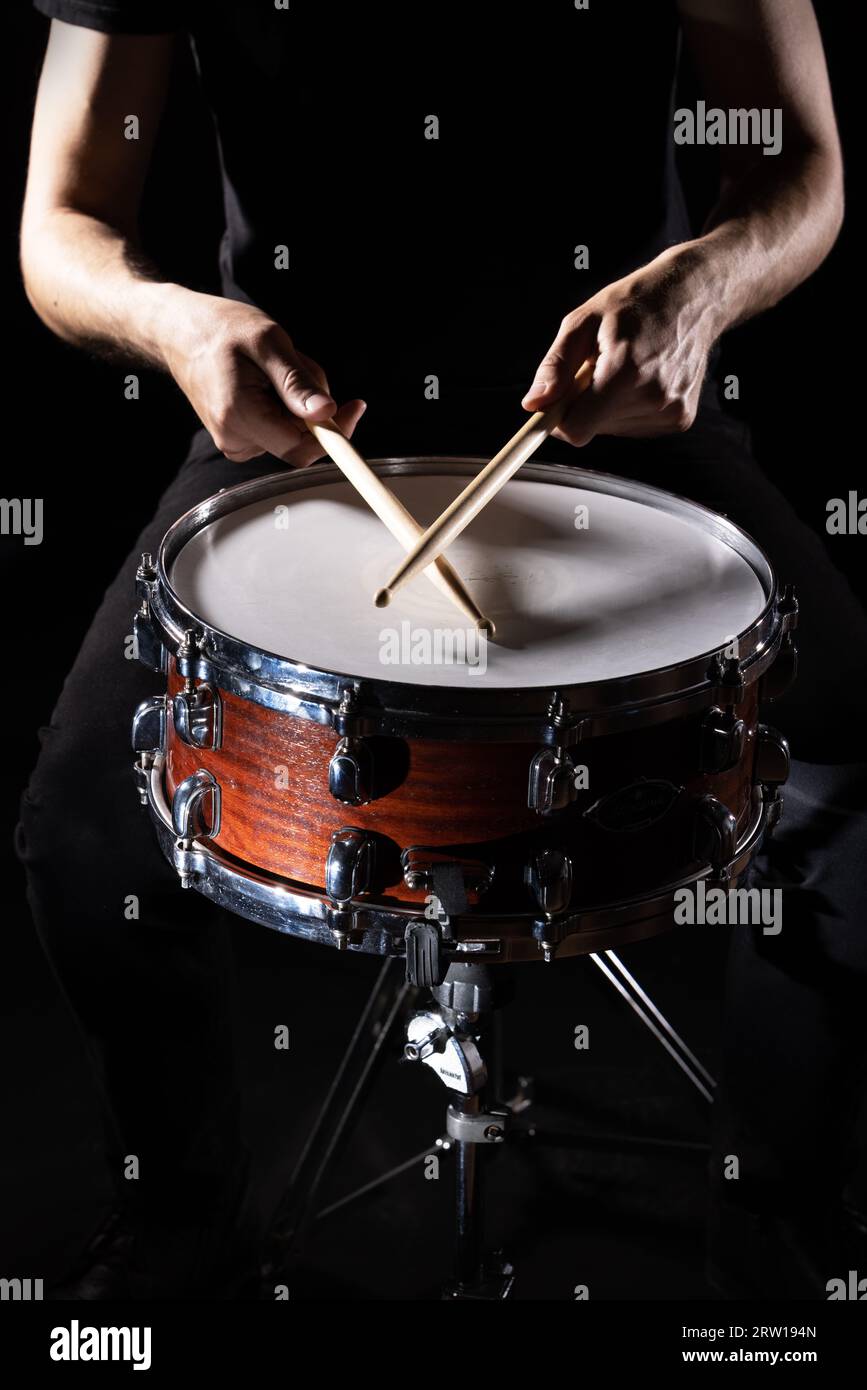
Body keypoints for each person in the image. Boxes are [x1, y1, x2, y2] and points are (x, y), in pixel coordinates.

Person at [17, 0, 866, 1298]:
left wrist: (703, 289)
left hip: (614, 420)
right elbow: (61, 224)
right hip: (292, 425)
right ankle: (184, 1223)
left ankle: (781, 1246)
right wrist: (180, 328)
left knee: (860, 780)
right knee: (82, 826)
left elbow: (804, 167)